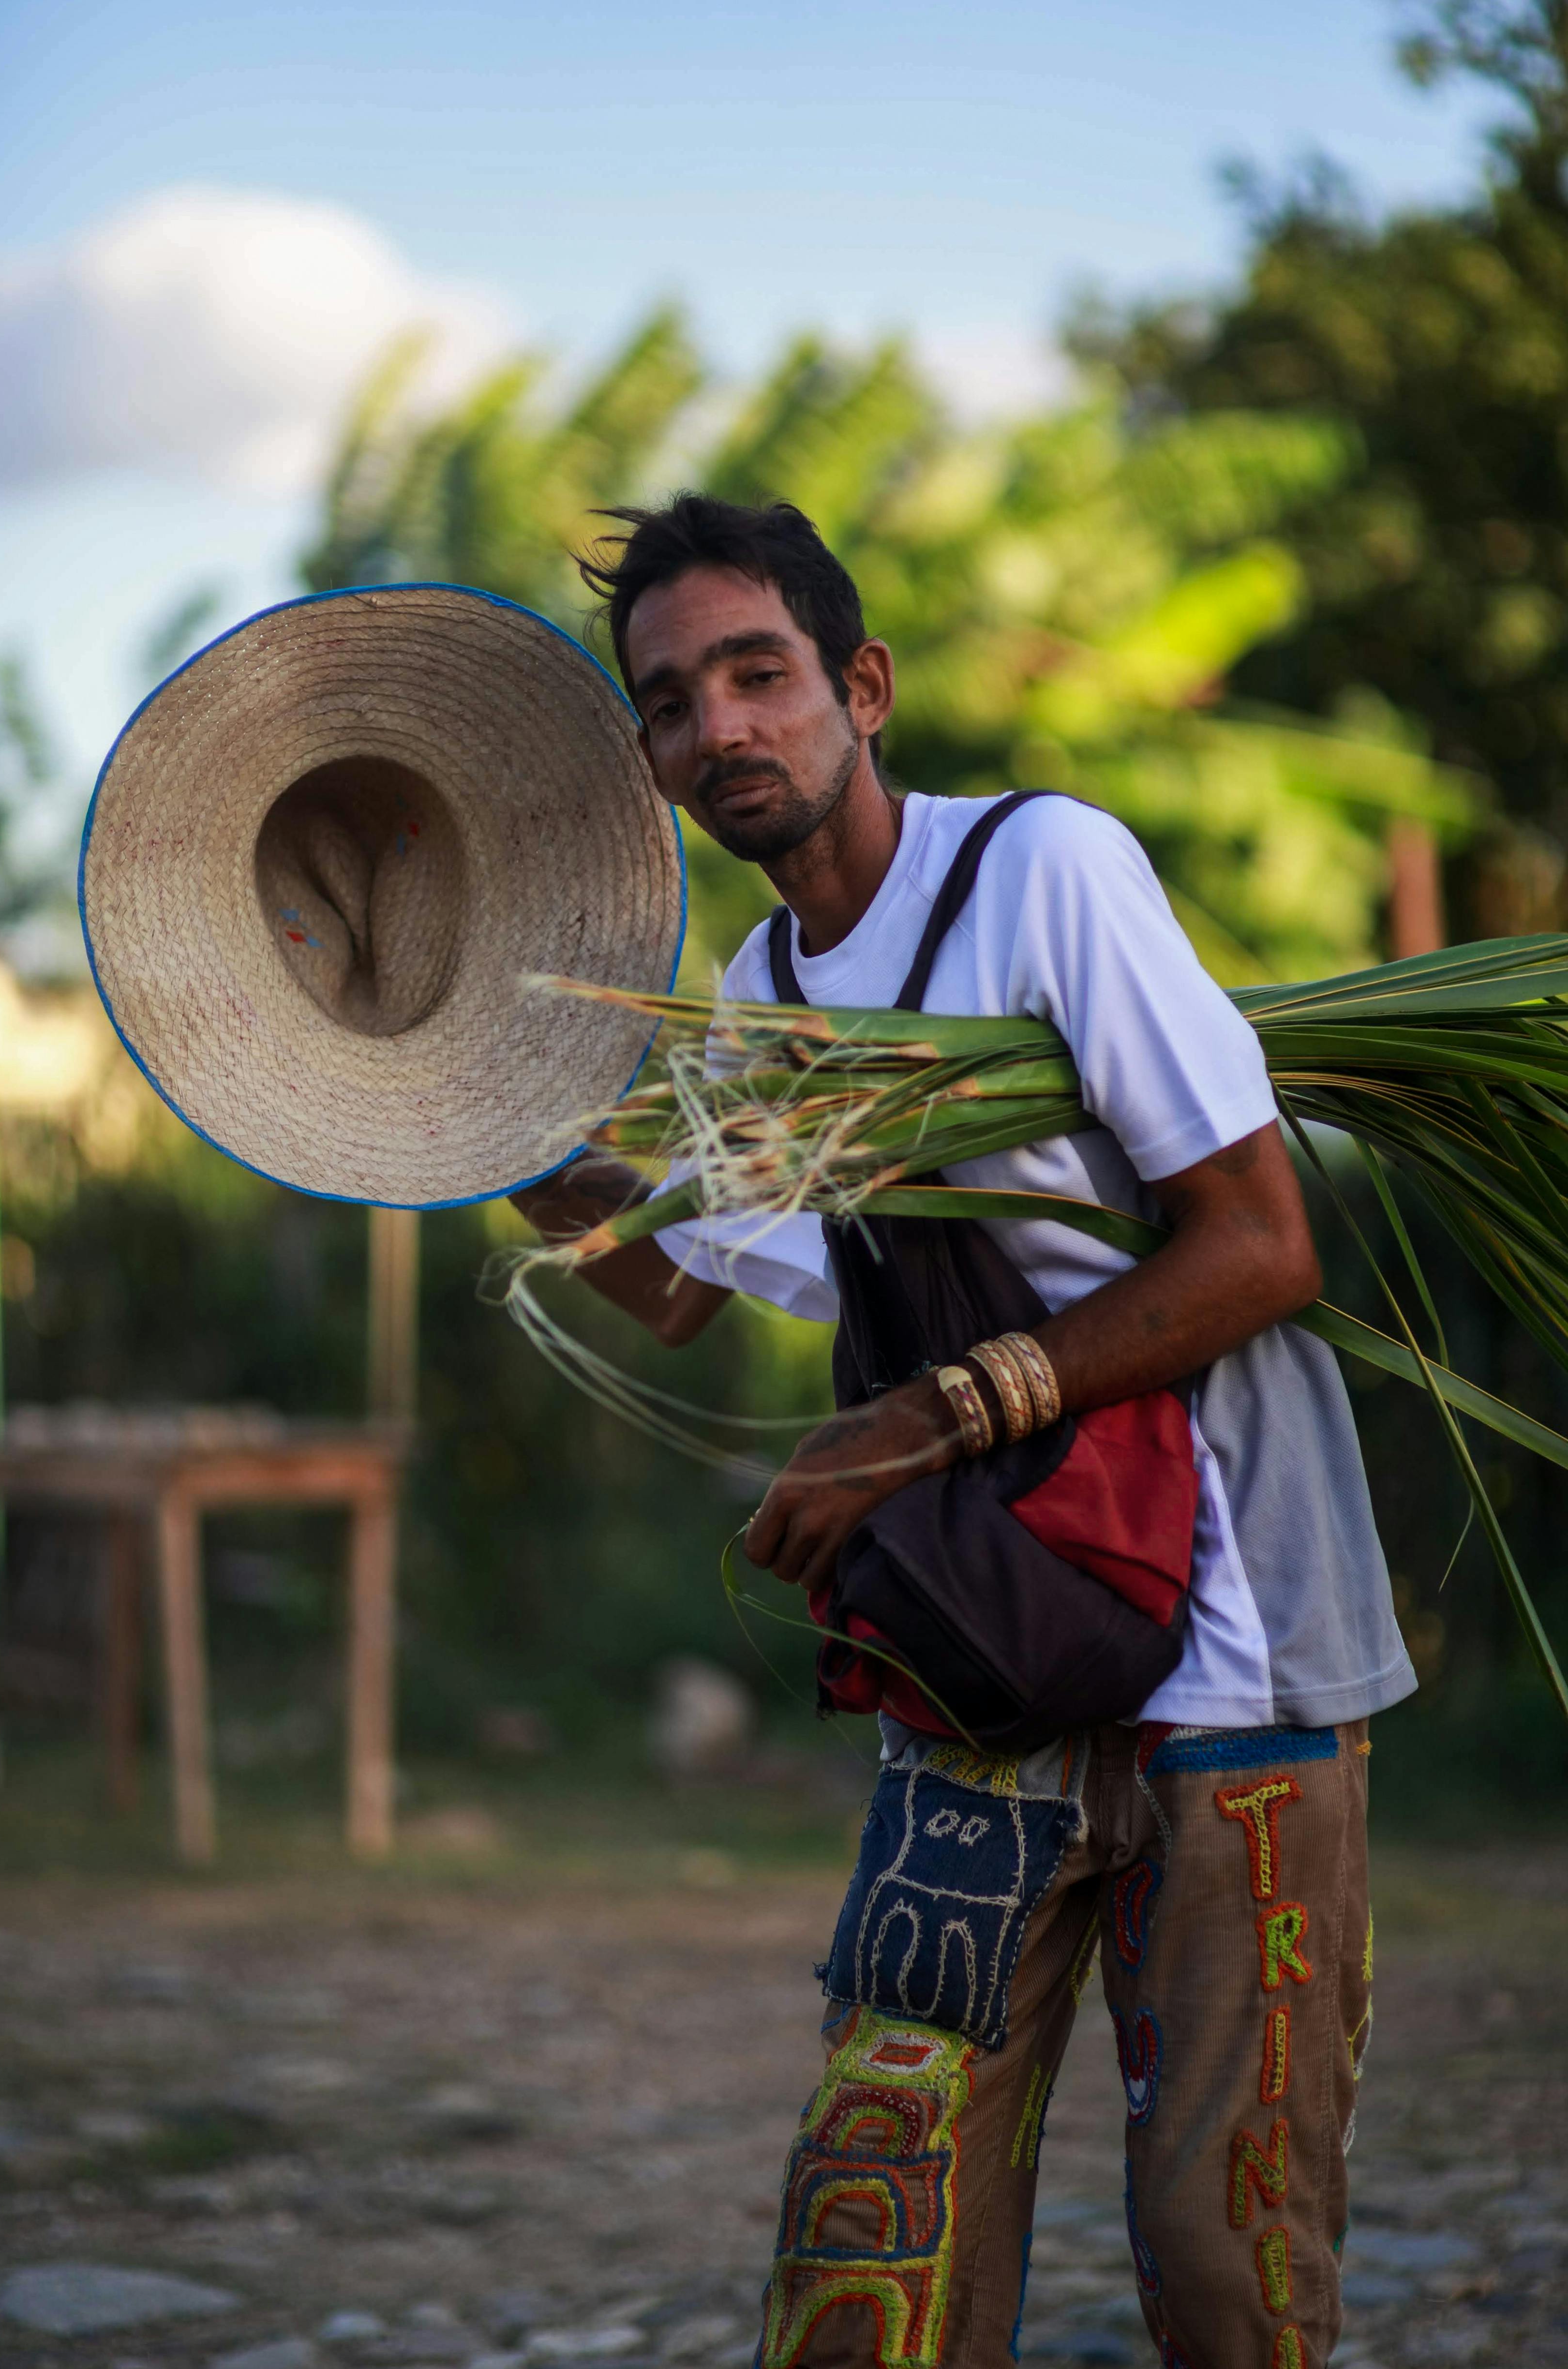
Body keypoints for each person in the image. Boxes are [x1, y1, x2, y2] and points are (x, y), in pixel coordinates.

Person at [513, 495, 1413, 2369]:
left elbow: (1261, 1243)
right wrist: (465, 1121)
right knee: (880, 2211)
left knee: (1227, 2249)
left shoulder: (1042, 870)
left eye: (761, 675)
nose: (723, 729)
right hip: (990, 1649)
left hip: (1224, 1645)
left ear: (863, 684)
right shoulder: (762, 997)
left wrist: (924, 1416)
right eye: (674, 704)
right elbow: (686, 1278)